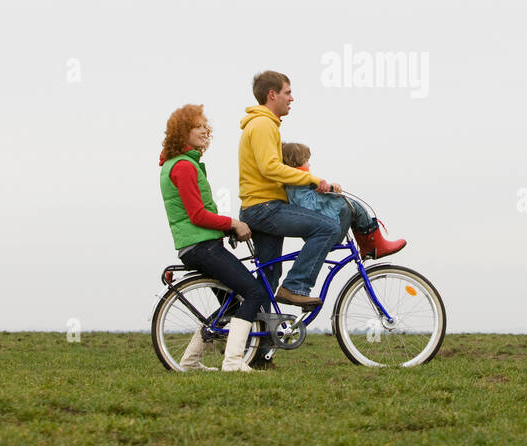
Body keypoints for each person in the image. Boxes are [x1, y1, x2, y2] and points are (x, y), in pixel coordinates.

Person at [159, 104, 266, 372]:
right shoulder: (184, 167)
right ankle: (232, 362)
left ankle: (190, 361)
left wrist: (226, 229)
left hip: (196, 244)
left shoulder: (179, 164)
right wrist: (232, 223)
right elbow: (197, 215)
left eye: (207, 127)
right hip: (202, 246)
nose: (205, 130)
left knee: (229, 303)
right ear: (182, 132)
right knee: (253, 292)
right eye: (198, 126)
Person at [238, 70, 341, 308]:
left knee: (268, 278)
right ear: (272, 95)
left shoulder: (265, 124)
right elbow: (270, 168)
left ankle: (257, 338)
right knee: (327, 227)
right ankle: (295, 287)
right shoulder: (264, 124)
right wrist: (311, 180)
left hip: (259, 207)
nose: (292, 98)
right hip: (265, 208)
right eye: (288, 92)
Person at [280, 141, 406, 259]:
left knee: (352, 205)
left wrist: (328, 190)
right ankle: (374, 246)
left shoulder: (299, 181)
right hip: (324, 233)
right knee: (352, 206)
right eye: (307, 160)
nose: (309, 164)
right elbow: (307, 205)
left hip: (321, 225)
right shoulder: (296, 184)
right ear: (297, 162)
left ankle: (371, 246)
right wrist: (329, 193)